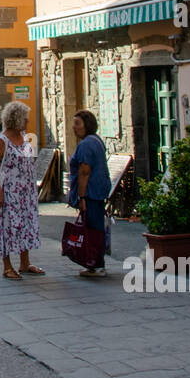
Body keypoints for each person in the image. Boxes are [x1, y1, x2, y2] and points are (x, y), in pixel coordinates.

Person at [0, 101, 41, 278]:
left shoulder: (25, 136)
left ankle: (25, 263)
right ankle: (7, 266)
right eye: (25, 119)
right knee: (7, 227)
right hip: (9, 192)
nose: (27, 122)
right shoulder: (2, 140)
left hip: (26, 191)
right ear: (16, 119)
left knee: (25, 225)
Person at [68, 110, 112, 277]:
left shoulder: (86, 145)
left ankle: (95, 263)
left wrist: (82, 197)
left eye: (77, 123)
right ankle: (96, 262)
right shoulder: (96, 141)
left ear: (87, 125)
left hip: (91, 192)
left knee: (93, 229)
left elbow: (84, 172)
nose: (74, 127)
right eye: (74, 123)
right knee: (96, 227)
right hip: (99, 190)